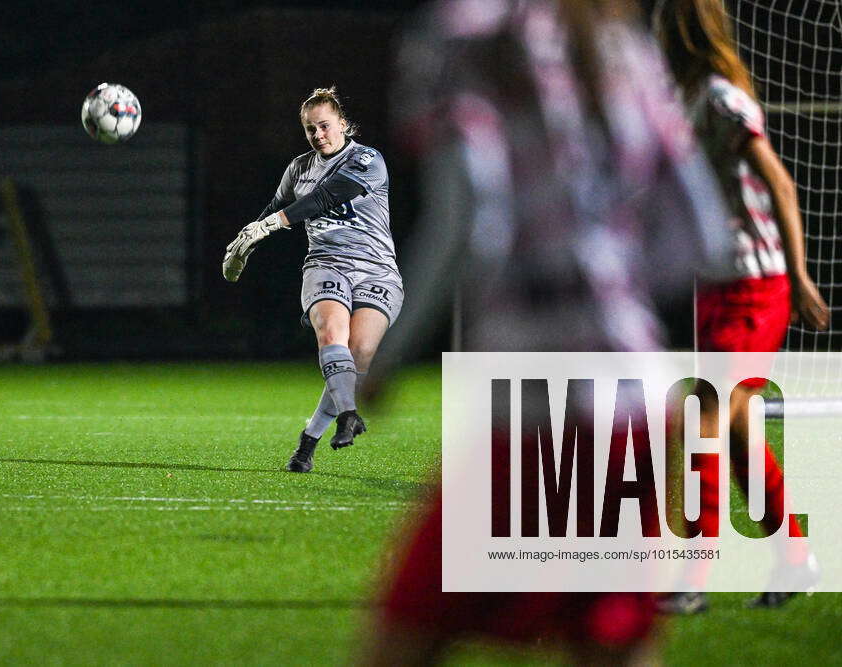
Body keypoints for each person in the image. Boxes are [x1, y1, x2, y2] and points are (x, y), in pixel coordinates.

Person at [358, 0, 733, 663]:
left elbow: (475, 219)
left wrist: (385, 355)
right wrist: (607, 281)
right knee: (608, 643)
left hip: (537, 399)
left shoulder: (463, 37)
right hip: (638, 397)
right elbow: (702, 236)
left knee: (403, 638)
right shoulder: (622, 46)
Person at [653, 0, 828, 614]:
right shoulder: (681, 102)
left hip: (755, 290)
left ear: (680, 30)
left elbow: (779, 182)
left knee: (699, 419)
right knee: (738, 433)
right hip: (716, 290)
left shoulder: (723, 100)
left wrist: (801, 276)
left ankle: (691, 579)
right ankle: (797, 557)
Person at [222, 86, 403, 473]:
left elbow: (326, 198)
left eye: (324, 126)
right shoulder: (299, 169)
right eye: (310, 129)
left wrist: (272, 223)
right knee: (330, 334)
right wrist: (246, 239)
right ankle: (349, 414)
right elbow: (276, 208)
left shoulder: (368, 159)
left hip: (377, 269)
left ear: (342, 123)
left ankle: (309, 440)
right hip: (326, 263)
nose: (318, 135)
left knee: (359, 353)